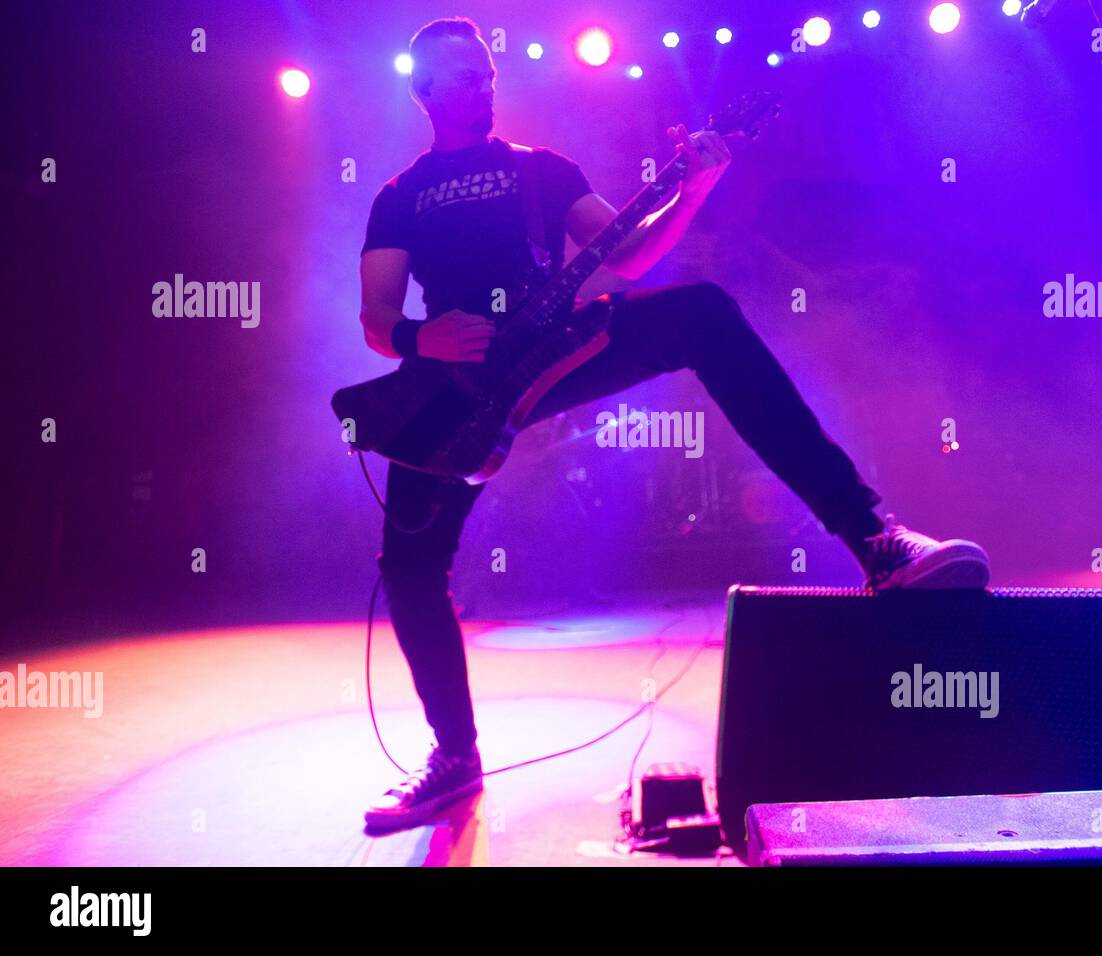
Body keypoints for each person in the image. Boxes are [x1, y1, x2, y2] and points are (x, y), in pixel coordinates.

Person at [357, 17, 990, 830]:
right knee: (409, 569)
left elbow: (627, 256)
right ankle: (454, 756)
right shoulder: (400, 196)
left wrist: (692, 186)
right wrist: (419, 336)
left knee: (703, 314)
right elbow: (376, 317)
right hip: (452, 386)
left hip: (555, 350)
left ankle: (874, 538)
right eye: (460, 73)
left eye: (486, 70)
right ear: (424, 88)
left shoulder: (542, 171)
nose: (481, 83)